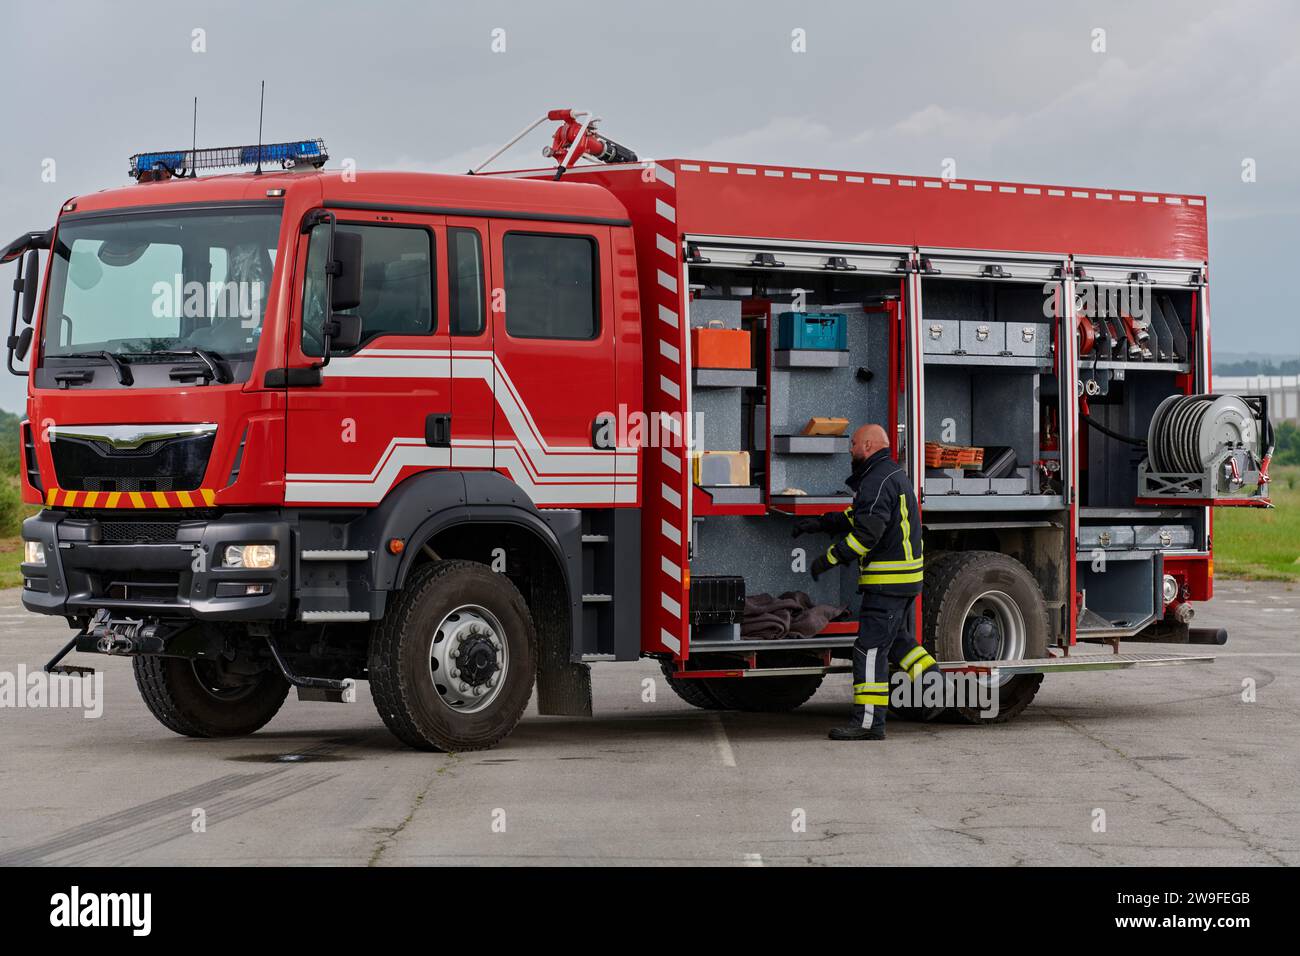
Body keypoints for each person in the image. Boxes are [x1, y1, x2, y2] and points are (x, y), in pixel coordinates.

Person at [793, 423, 939, 740]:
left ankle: (869, 724)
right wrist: (821, 524)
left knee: (868, 650)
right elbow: (860, 514)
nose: (850, 449)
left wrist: (828, 559)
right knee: (897, 641)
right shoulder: (888, 475)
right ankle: (936, 687)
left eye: (854, 443)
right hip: (902, 581)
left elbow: (866, 534)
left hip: (887, 583)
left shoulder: (876, 480)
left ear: (869, 445)